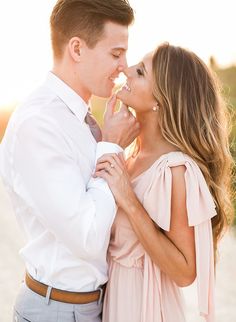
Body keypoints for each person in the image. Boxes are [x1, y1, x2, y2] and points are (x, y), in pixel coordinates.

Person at [0, 1, 140, 321]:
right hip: (59, 311)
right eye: (116, 54)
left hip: (88, 305)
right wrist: (112, 145)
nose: (124, 66)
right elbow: (87, 237)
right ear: (77, 48)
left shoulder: (79, 118)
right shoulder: (39, 123)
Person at [94, 43, 234, 322]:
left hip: (146, 310)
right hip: (113, 304)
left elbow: (185, 272)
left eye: (141, 72)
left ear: (162, 99)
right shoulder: (130, 155)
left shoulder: (176, 170)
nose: (127, 70)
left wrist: (130, 202)